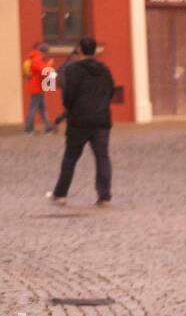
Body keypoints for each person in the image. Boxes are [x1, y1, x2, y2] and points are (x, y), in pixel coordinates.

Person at [48, 37, 116, 206]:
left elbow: (68, 94)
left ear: (79, 50)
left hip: (79, 120)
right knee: (102, 158)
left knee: (70, 157)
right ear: (94, 50)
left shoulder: (73, 70)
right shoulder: (104, 70)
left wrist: (69, 108)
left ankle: (61, 195)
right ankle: (104, 196)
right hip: (101, 120)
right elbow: (111, 91)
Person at [23, 41, 53, 134]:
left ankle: (48, 128)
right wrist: (50, 64)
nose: (47, 55)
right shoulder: (37, 59)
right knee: (33, 109)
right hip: (37, 87)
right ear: (44, 51)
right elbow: (44, 71)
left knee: (42, 108)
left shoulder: (35, 58)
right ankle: (28, 129)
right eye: (47, 52)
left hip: (38, 87)